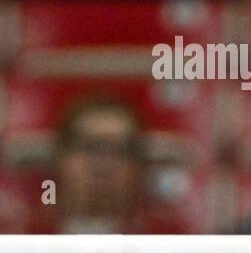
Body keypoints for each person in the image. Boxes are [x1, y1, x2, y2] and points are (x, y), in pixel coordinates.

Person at [17, 98, 188, 234]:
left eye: (119, 150)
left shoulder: (172, 248)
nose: (103, 164)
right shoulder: (17, 240)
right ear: (60, 156)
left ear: (139, 165)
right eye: (90, 146)